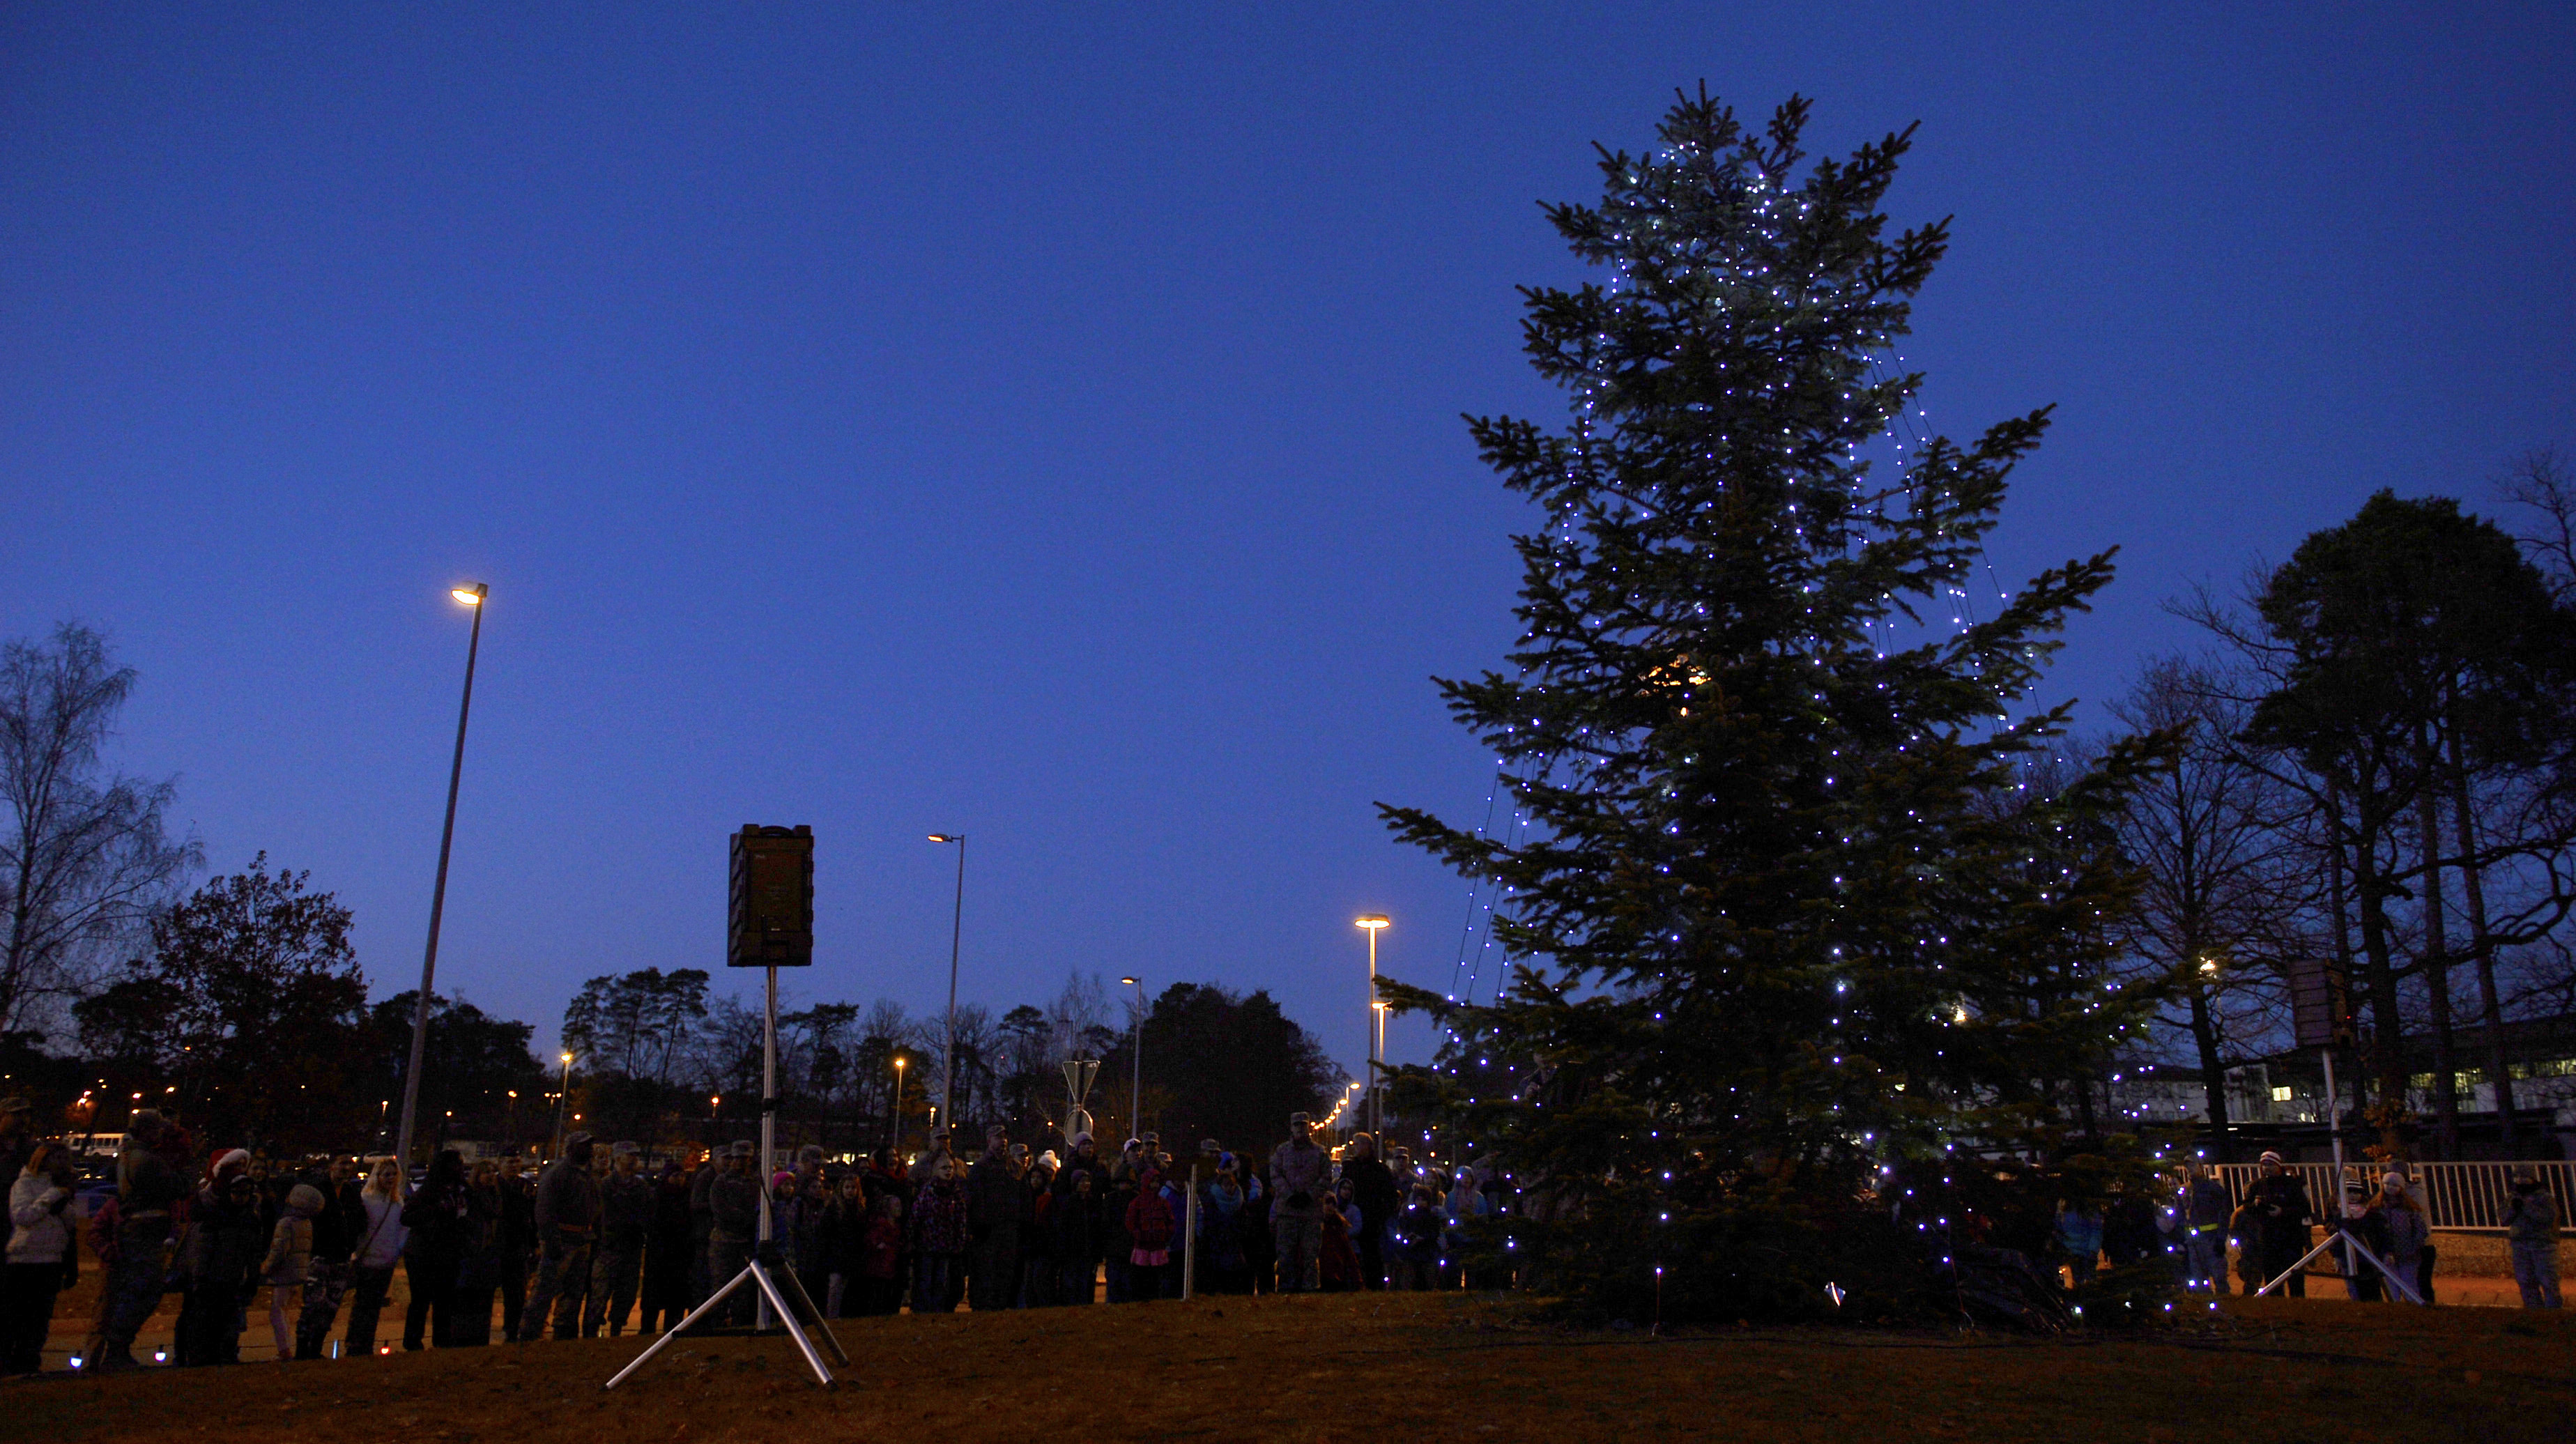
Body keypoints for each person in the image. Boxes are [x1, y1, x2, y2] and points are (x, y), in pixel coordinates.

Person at [83, 1109, 187, 1372]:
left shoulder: (133, 1156)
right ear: (144, 1131)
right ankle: (118, 1347)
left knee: (141, 1289)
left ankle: (118, 1347)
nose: (160, 1135)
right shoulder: (146, 1159)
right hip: (144, 1232)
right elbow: (178, 1186)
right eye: (155, 1130)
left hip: (142, 1230)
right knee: (144, 1289)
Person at [5, 1140, 77, 1374]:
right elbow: (23, 1217)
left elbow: (69, 1225)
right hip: (25, 1260)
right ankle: (11, 1363)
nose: (62, 1165)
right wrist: (52, 1197)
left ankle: (29, 1362)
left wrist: (63, 1206)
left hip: (51, 1260)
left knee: (40, 1318)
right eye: (57, 1159)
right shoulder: (24, 1184)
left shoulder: (60, 1188)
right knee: (18, 1316)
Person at [178, 1169, 264, 1365]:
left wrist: (252, 1278)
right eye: (237, 1192)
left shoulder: (250, 1220)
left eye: (245, 1193)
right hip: (213, 1277)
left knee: (228, 1322)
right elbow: (204, 1248)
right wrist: (200, 1276)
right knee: (207, 1321)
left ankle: (225, 1355)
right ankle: (203, 1357)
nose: (241, 1197)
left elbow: (253, 1253)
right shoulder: (217, 1217)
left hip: (233, 1278)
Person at [521, 1132, 601, 1340]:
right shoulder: (558, 1174)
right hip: (563, 1240)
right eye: (584, 1146)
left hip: (582, 1240)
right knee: (545, 1290)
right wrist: (551, 1240)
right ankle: (530, 1334)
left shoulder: (590, 1175)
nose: (590, 1150)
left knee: (573, 1293)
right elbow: (545, 1211)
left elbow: (596, 1208)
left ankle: (564, 1334)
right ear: (571, 1148)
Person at [400, 1149, 473, 1349]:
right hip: (424, 1253)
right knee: (421, 1300)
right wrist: (436, 1210)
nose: (460, 1168)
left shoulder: (461, 1190)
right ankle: (413, 1342)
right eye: (456, 1164)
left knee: (445, 1300)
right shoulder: (430, 1190)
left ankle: (442, 1340)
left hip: (449, 1252)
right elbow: (407, 1217)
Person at [295, 1155, 365, 1358]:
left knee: (331, 1306)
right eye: (342, 1163)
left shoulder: (350, 1193)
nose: (346, 1168)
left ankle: (316, 1347)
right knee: (313, 1304)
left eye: (349, 1164)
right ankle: (302, 1349)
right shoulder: (318, 1190)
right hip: (320, 1256)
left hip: (341, 1257)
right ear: (331, 1166)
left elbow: (359, 1220)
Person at [342, 1159, 409, 1355]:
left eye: (393, 1174)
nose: (390, 1178)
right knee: (362, 1304)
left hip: (386, 1261)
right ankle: (355, 1344)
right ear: (377, 1176)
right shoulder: (367, 1200)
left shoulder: (397, 1203)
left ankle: (366, 1343)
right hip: (367, 1259)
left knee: (374, 1306)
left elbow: (401, 1231)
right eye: (386, 1174)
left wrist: (396, 1251)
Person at [587, 1142, 652, 1337]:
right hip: (609, 1248)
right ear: (617, 1158)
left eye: (635, 1155)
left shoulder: (641, 1186)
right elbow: (597, 1216)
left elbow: (648, 1214)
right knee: (599, 1294)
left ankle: (615, 1332)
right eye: (629, 1155)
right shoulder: (605, 1185)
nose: (633, 1159)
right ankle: (590, 1335)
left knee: (626, 1295)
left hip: (630, 1248)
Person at [1268, 1112, 1328, 1293]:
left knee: (1311, 1255)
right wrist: (1289, 1195)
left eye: (1303, 1125)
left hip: (1311, 1212)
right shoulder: (1282, 1151)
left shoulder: (1319, 1152)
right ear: (1292, 1128)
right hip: (1288, 1211)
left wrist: (1310, 1195)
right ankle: (1286, 1290)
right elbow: (1275, 1175)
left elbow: (1326, 1176)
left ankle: (1311, 1290)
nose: (1300, 1129)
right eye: (1297, 1125)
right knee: (1286, 1255)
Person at [261, 1183, 322, 1358]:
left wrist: (265, 1268)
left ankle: (284, 1349)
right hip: (299, 1273)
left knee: (277, 1311)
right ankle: (287, 1348)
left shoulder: (286, 1223)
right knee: (284, 1309)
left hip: (285, 1273)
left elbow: (279, 1250)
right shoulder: (306, 1222)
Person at [967, 1124, 1024, 1312]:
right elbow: (976, 1199)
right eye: (998, 1137)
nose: (1003, 1141)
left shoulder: (1012, 1167)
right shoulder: (981, 1168)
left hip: (1008, 1228)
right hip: (989, 1229)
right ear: (989, 1141)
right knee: (986, 1271)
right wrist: (979, 1225)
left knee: (1004, 1271)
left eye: (1004, 1137)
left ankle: (1000, 1304)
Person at [706, 1141, 762, 1326]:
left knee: (744, 1289)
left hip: (744, 1241)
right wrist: (743, 1218)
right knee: (721, 1285)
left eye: (744, 1158)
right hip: (724, 1241)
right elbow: (720, 1210)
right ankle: (717, 1323)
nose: (740, 1162)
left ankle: (740, 1323)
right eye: (737, 1158)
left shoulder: (755, 1182)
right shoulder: (721, 1181)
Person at [2242, 1152, 2312, 1298]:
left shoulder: (2292, 1184)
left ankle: (2298, 1307)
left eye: (2271, 1164)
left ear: (2279, 1165)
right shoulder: (2257, 1185)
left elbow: (2304, 1209)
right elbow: (2246, 1208)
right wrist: (2255, 1205)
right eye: (2264, 1165)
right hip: (2268, 1239)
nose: (2267, 1168)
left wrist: (2283, 1211)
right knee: (2273, 1280)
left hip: (2291, 1239)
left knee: (2295, 1279)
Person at [641, 1160, 697, 1332]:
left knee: (677, 1296)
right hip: (659, 1252)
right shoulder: (658, 1197)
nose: (679, 1179)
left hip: (680, 1253)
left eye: (682, 1176)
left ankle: (673, 1329)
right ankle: (647, 1329)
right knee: (653, 1295)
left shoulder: (687, 1197)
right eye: (675, 1176)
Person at [911, 1155, 969, 1312]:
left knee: (941, 1281)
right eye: (945, 1168)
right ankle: (923, 1310)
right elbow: (917, 1215)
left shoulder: (956, 1192)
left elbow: (961, 1219)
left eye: (951, 1168)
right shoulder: (928, 1191)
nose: (949, 1171)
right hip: (928, 1244)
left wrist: (959, 1241)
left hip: (946, 1245)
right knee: (926, 1280)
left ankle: (938, 1310)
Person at [1342, 1133, 1399, 1291]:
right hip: (1352, 1217)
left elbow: (1390, 1196)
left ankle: (1375, 1286)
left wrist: (1381, 1214)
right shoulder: (1351, 1168)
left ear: (1367, 1146)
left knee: (1372, 1254)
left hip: (1372, 1218)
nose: (1355, 1148)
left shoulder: (1380, 1170)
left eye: (1358, 1144)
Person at [2501, 1167, 2561, 1309]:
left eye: (2524, 1177)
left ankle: (2553, 1314)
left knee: (2548, 1281)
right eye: (2517, 1178)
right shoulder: (2512, 1197)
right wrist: (2513, 1209)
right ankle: (2533, 1313)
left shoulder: (2545, 1198)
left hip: (2542, 1245)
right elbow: (2504, 1219)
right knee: (2525, 1281)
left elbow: (2548, 1218)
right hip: (2520, 1245)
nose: (2520, 1181)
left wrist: (2526, 1207)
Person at [493, 1153, 536, 1340]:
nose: (514, 1165)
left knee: (517, 1294)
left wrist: (533, 1244)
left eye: (517, 1162)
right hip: (496, 1245)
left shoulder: (525, 1186)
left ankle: (512, 1330)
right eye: (510, 1161)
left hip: (518, 1245)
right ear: (500, 1163)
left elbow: (532, 1217)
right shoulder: (494, 1186)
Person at [1050, 1169, 1103, 1306]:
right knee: (1071, 1284)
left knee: (1084, 1282)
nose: (1086, 1184)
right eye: (1082, 1181)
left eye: (1087, 1181)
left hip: (1087, 1250)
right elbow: (1063, 1228)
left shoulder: (1092, 1203)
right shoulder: (1069, 1203)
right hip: (1073, 1251)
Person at [1124, 1166, 1174, 1303]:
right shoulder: (1138, 1202)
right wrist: (1139, 1235)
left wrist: (1165, 1235)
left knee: (1156, 1280)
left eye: (1157, 1181)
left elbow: (1170, 1221)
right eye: (1153, 1181)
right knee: (1141, 1279)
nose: (1155, 1185)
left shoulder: (1163, 1203)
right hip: (1142, 1248)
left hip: (1158, 1247)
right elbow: (1131, 1222)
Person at [2182, 1163, 2232, 1293]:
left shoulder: (2213, 1189)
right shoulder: (2185, 1190)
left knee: (2219, 1277)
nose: (2190, 1170)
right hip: (2192, 1243)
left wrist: (2221, 1239)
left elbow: (2223, 1214)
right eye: (2188, 1167)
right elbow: (2180, 1215)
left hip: (2211, 1240)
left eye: (2192, 1166)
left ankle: (2224, 1305)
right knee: (2198, 1280)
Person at [1390, 1181, 1441, 1291]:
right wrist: (1408, 1236)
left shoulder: (1432, 1216)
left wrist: (1423, 1238)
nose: (1421, 1202)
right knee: (1409, 1276)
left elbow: (1435, 1232)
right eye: (1418, 1199)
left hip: (1427, 1251)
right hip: (1411, 1251)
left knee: (1427, 1279)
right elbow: (1403, 1228)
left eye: (1423, 1200)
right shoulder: (1409, 1215)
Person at [2055, 1195, 2103, 1289]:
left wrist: (2092, 1250)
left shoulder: (2087, 1208)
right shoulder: (2063, 1205)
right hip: (2072, 1251)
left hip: (2083, 1251)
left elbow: (2096, 1230)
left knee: (2086, 1279)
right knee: (2076, 1280)